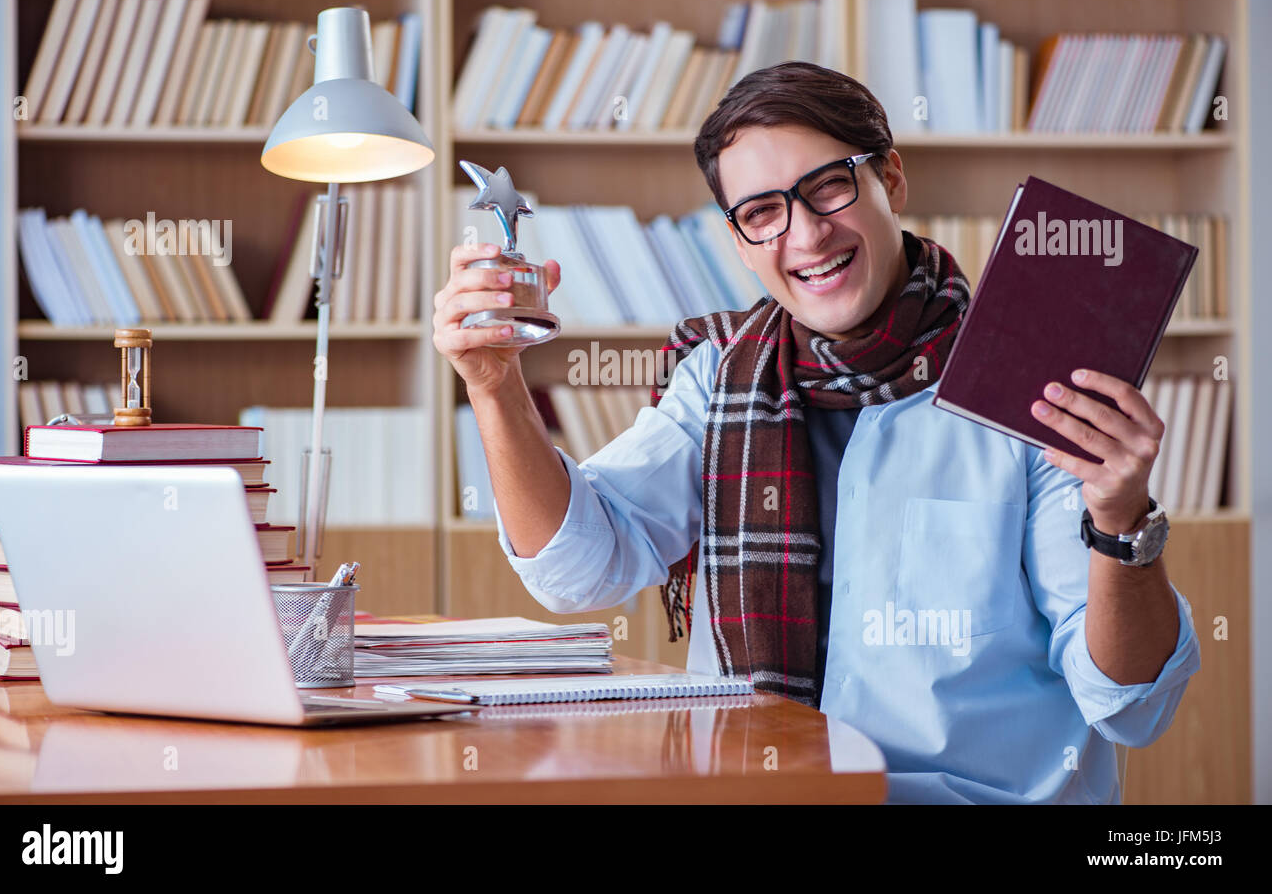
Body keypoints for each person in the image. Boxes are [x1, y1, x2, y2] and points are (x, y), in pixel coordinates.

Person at [431, 61, 1200, 803]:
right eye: (762, 211)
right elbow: (576, 568)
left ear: (890, 178)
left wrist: (1120, 519)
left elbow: (1129, 705)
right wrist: (494, 387)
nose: (804, 236)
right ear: (738, 241)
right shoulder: (719, 377)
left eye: (829, 187)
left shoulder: (1031, 384)